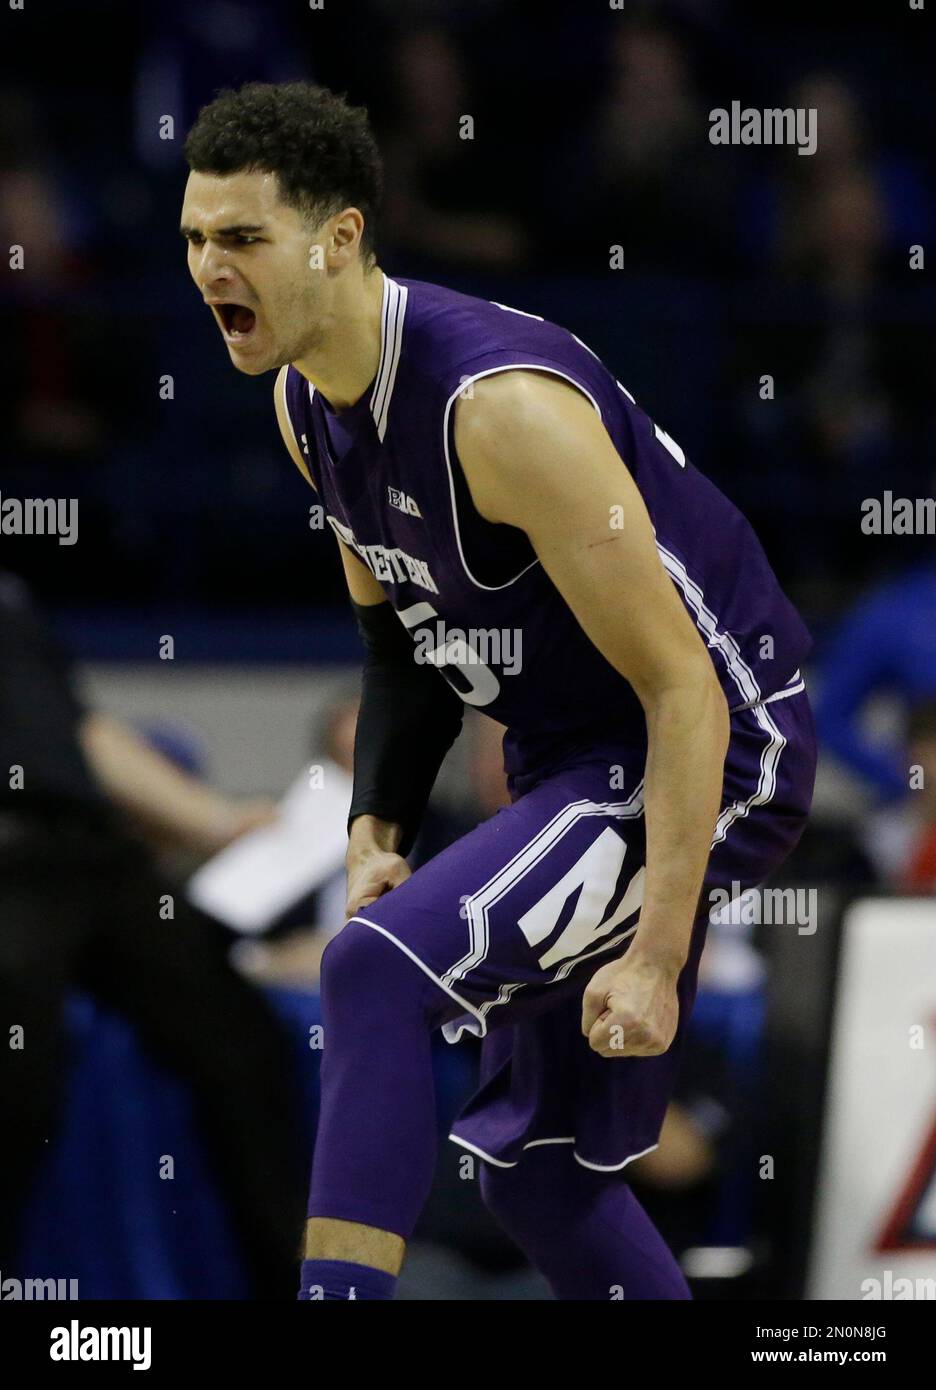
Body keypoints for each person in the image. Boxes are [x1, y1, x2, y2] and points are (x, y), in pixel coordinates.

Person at [181, 80, 817, 1302]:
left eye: (244, 237)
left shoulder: (500, 409)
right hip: (573, 749)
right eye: (196, 239)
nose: (211, 267)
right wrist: (379, 831)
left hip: (715, 740)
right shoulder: (304, 408)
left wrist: (658, 948)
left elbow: (686, 687)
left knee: (367, 970)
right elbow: (401, 647)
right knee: (542, 1173)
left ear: (341, 236)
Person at [0, 570, 307, 1297]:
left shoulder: (12, 600)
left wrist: (217, 820)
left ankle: (292, 1282)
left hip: (89, 850)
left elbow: (86, 732)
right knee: (16, 1071)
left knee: (241, 1037)